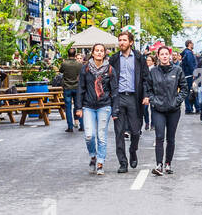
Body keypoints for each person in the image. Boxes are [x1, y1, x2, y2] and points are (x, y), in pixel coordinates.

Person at [109, 31, 147, 172]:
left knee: (136, 131)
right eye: (120, 40)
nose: (121, 43)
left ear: (130, 42)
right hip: (118, 97)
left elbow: (145, 78)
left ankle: (132, 151)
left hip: (134, 98)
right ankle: (123, 163)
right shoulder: (113, 59)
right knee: (119, 132)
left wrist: (146, 95)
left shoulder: (139, 58)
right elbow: (108, 79)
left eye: (124, 40)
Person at [146, 46, 186, 175]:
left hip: (173, 109)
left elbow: (184, 88)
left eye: (166, 54)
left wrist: (177, 100)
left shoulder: (177, 70)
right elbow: (148, 88)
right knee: (159, 136)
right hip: (158, 109)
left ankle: (168, 164)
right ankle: (159, 165)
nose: (164, 56)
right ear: (158, 56)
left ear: (169, 56)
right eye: (161, 54)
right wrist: (153, 100)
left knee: (171, 138)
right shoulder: (153, 72)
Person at [75, 42, 114, 175]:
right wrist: (78, 107)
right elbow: (80, 88)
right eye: (96, 50)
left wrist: (116, 109)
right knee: (89, 135)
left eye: (101, 51)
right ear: (92, 53)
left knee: (101, 136)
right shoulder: (85, 69)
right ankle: (93, 155)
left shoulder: (109, 69)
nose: (98, 53)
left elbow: (114, 90)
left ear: (104, 53)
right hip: (88, 106)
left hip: (104, 105)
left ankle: (100, 162)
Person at [58, 49, 84, 132]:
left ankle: (70, 126)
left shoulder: (64, 63)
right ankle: (82, 125)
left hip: (67, 87)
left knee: (68, 108)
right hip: (77, 87)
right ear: (75, 54)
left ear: (68, 54)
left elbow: (61, 71)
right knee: (78, 106)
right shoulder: (79, 64)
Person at [180, 40, 198, 114]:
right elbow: (191, 64)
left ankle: (190, 108)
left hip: (187, 74)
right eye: (192, 43)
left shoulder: (186, 53)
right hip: (190, 75)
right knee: (191, 92)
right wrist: (194, 73)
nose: (193, 45)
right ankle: (189, 109)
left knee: (189, 92)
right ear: (189, 44)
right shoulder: (189, 53)